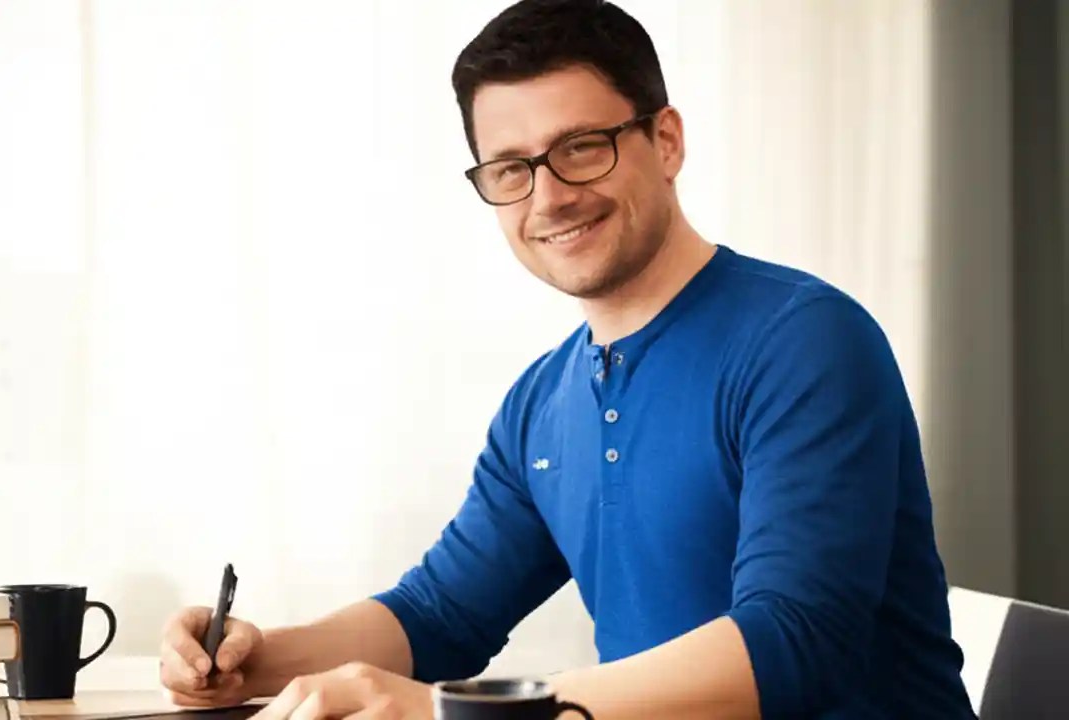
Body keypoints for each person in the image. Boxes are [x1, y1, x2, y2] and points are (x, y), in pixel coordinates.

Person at [160, 1, 975, 717]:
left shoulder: (804, 340)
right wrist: (255, 660)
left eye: (581, 148)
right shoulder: (541, 402)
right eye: (512, 169)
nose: (548, 197)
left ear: (666, 140)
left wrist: (467, 714)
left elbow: (796, 640)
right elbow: (440, 615)